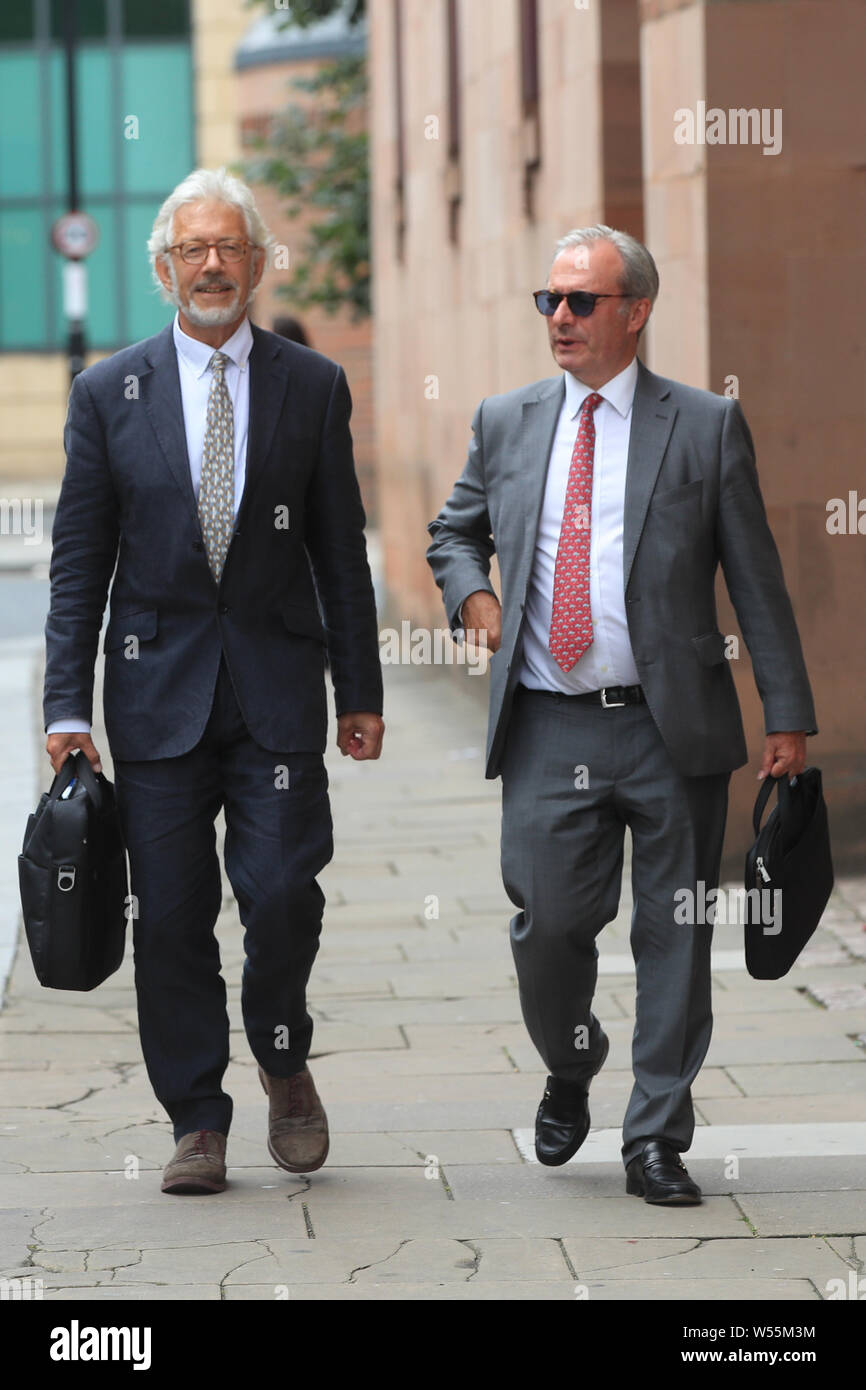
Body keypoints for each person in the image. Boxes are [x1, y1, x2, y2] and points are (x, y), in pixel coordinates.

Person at [426, 225, 815, 1205]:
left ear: (633, 311)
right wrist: (471, 595)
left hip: (668, 721)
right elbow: (453, 530)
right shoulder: (506, 420)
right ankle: (570, 1057)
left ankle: (655, 1136)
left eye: (578, 301)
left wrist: (787, 714)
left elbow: (756, 582)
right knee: (548, 922)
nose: (557, 317)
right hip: (549, 719)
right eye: (547, 301)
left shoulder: (703, 424)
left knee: (673, 931)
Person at [43, 167, 384, 1195]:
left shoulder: (310, 385)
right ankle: (197, 1117)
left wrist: (359, 690)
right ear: (161, 268)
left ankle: (282, 1053)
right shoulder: (109, 394)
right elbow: (78, 561)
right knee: (175, 915)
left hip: (277, 691)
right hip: (155, 701)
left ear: (257, 259)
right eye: (191, 248)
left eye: (228, 246)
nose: (210, 264)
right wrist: (65, 705)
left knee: (282, 893)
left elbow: (337, 545)